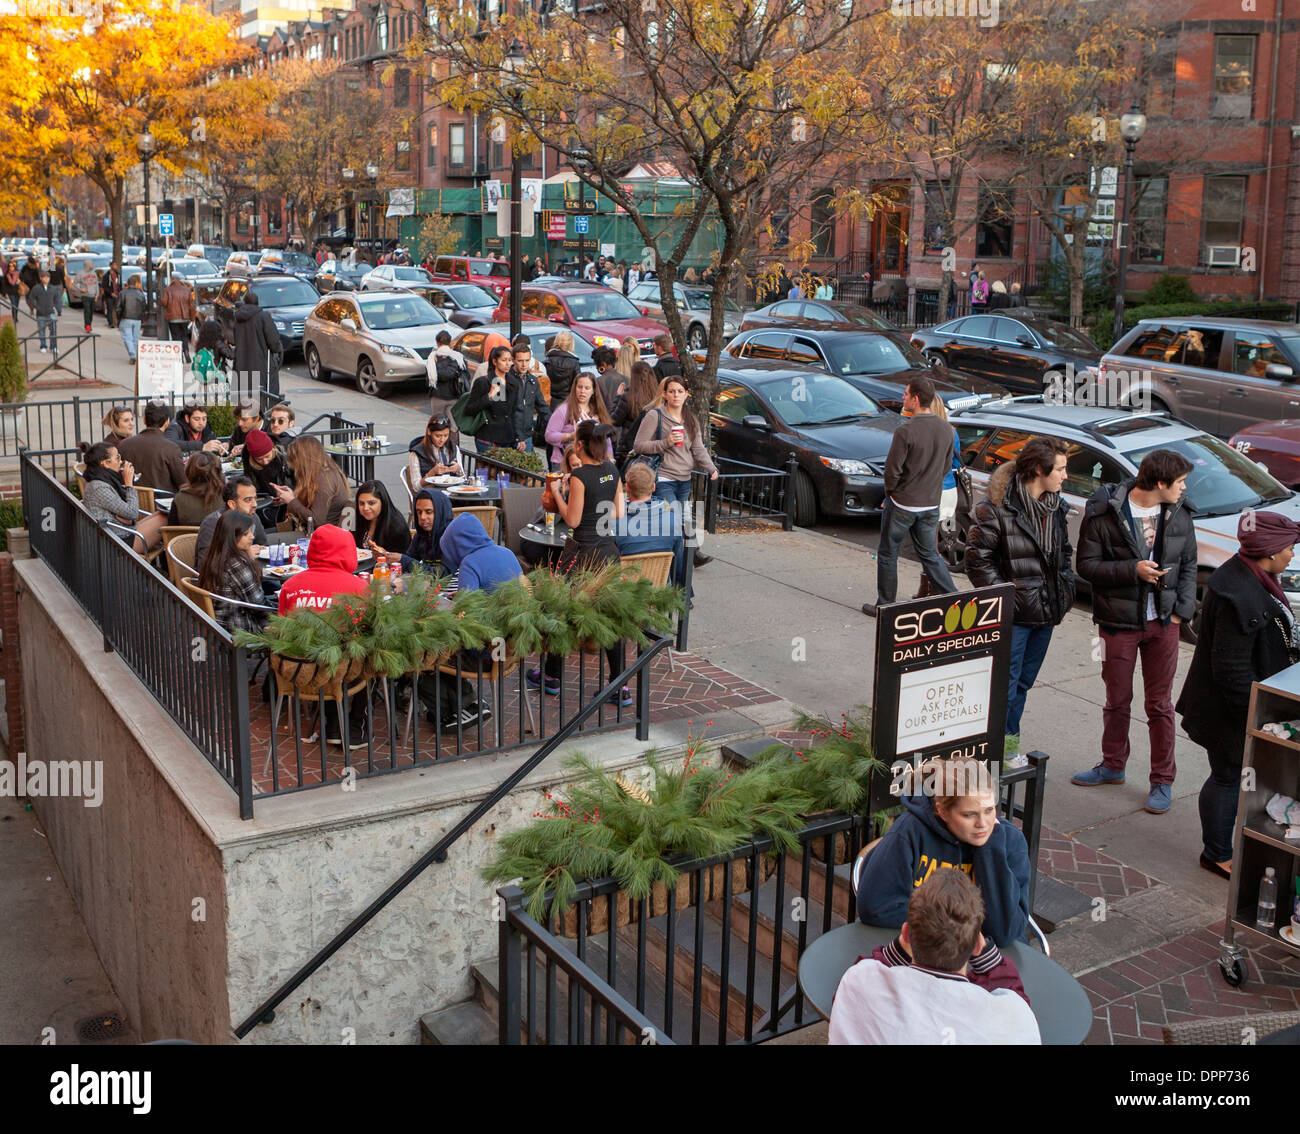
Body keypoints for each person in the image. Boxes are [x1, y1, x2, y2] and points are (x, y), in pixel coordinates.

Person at [1072, 449, 1197, 814]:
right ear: (1159, 483)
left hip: (1163, 623)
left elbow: (1188, 565)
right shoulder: (1104, 512)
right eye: (1179, 482)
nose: (1184, 488)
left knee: (1159, 706)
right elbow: (1086, 566)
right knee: (1116, 699)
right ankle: (1113, 765)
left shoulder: (1179, 513)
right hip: (1116, 624)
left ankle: (1162, 781)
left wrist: (1180, 614)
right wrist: (1133, 570)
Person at [1178, 513, 1300, 878]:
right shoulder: (1237, 592)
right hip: (1229, 710)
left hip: (1247, 704)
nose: (1292, 556)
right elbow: (1231, 671)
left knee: (1233, 776)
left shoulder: (1252, 575)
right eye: (1290, 549)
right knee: (1227, 777)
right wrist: (1256, 719)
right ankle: (1216, 853)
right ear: (1270, 551)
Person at [830, 870, 1039, 1046]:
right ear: (977, 944)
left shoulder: (859, 983)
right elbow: (1016, 998)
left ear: (905, 935)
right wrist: (989, 958)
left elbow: (868, 970)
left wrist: (898, 950)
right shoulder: (1011, 1019)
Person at [965, 436, 1076, 763]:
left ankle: (1007, 747)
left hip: (1045, 614)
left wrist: (1065, 591)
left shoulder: (1056, 506)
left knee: (1023, 685)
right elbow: (977, 561)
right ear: (1039, 470)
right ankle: (993, 753)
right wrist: (1007, 600)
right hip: (1013, 617)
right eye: (1061, 469)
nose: (1065, 476)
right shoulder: (995, 509)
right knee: (1003, 688)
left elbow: (1064, 554)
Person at [856, 757, 1031, 947]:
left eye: (989, 810)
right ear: (943, 811)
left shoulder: (1010, 842)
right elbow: (876, 907)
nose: (983, 824)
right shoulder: (910, 832)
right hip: (923, 951)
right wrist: (955, 928)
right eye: (969, 814)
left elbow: (1004, 933)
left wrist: (989, 850)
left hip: (989, 959)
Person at [530, 420, 631, 704]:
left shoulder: (580, 476)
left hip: (582, 552)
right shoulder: (612, 469)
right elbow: (619, 513)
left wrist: (561, 494)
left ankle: (552, 677)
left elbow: (572, 520)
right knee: (610, 616)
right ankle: (619, 684)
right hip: (608, 551)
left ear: (579, 445)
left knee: (562, 610)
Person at [862, 377, 957, 615]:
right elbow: (946, 467)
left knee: (888, 553)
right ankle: (954, 600)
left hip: (903, 503)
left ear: (915, 399)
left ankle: (885, 605)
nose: (903, 398)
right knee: (930, 555)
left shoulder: (905, 431)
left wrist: (891, 495)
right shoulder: (947, 429)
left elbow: (892, 471)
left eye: (906, 394)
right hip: (929, 505)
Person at [277, 523, 370, 749]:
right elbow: (368, 633)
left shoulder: (290, 586)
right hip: (344, 670)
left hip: (299, 670)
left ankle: (333, 725)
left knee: (327, 649)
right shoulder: (359, 588)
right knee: (368, 654)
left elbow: (281, 630)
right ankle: (356, 729)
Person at [434, 512, 525, 728]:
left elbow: (466, 616)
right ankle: (466, 704)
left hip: (486, 653)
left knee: (430, 656)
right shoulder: (507, 553)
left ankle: (461, 709)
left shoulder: (470, 563)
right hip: (511, 649)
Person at [633, 375, 718, 568]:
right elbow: (639, 445)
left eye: (680, 391)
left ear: (687, 394)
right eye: (672, 391)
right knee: (673, 518)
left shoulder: (691, 419)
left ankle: (690, 556)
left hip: (684, 478)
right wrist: (666, 442)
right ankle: (673, 560)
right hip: (663, 476)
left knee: (686, 520)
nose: (676, 395)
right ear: (664, 394)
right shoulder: (655, 416)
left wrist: (711, 468)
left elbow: (698, 448)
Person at [76, 440, 166, 554]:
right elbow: (132, 512)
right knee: (165, 519)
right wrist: (129, 484)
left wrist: (128, 520)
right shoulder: (99, 487)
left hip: (122, 531)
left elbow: (128, 514)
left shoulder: (104, 480)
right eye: (117, 458)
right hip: (117, 542)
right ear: (105, 463)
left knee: (162, 514)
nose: (121, 461)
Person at [614, 461, 686, 587]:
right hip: (660, 592)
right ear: (653, 487)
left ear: (627, 488)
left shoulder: (616, 523)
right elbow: (678, 564)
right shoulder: (672, 520)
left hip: (625, 594)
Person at [196, 510, 269, 635]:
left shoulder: (214, 555)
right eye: (246, 533)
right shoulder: (236, 564)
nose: (252, 536)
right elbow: (258, 606)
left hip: (218, 623)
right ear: (232, 537)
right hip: (239, 629)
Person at [271, 434, 351, 531]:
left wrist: (292, 501)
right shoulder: (323, 472)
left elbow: (316, 520)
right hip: (316, 532)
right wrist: (290, 497)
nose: (292, 465)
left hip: (324, 536)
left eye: (294, 460)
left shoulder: (324, 480)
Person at [194, 476, 268, 569]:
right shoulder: (213, 523)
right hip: (221, 581)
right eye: (248, 500)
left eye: (255, 499)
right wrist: (245, 554)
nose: (255, 504)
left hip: (252, 575)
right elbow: (205, 566)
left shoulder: (252, 517)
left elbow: (264, 547)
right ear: (232, 504)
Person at [544, 371, 611, 469]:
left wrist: (610, 458)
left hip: (592, 462)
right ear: (574, 388)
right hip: (565, 463)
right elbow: (549, 435)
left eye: (587, 388)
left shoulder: (598, 412)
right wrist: (570, 436)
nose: (582, 391)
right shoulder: (564, 410)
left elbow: (606, 438)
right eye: (579, 387)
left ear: (593, 391)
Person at [464, 344, 523, 453]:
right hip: (487, 436)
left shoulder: (514, 383)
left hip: (507, 436)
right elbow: (469, 409)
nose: (508, 364)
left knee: (504, 470)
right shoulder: (483, 382)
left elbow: (516, 411)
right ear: (495, 361)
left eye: (510, 360)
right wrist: (489, 396)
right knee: (486, 469)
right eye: (504, 360)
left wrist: (520, 436)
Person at [118, 401, 186, 493]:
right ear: (167, 422)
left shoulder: (123, 445)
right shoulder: (171, 448)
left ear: (144, 420)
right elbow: (182, 483)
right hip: (162, 503)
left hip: (132, 501)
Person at [232, 291, 284, 398]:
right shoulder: (263, 316)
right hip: (260, 363)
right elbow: (273, 341)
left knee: (244, 395)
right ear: (257, 303)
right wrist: (276, 349)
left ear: (244, 302)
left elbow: (235, 339)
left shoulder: (238, 319)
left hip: (242, 363)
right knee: (261, 395)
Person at [610, 361, 661, 465]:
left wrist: (618, 397)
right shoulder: (658, 398)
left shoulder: (628, 397)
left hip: (629, 448)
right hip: (651, 447)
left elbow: (614, 421)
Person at [400, 488, 454, 573]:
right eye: (419, 512)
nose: (422, 517)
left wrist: (403, 560)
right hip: (429, 584)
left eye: (428, 512)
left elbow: (442, 575)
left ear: (440, 512)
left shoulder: (453, 537)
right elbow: (410, 560)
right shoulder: (421, 535)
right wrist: (389, 562)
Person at [353, 479, 410, 559]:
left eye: (371, 503)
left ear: (383, 502)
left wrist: (385, 554)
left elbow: (402, 560)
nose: (365, 508)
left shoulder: (396, 527)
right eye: (361, 503)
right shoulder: (359, 519)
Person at [510, 338, 549, 454]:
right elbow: (504, 413)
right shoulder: (505, 380)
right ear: (513, 360)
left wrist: (556, 425)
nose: (524, 364)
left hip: (527, 436)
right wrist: (517, 438)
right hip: (509, 437)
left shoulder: (532, 381)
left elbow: (543, 407)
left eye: (527, 360)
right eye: (520, 361)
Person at [168, 451, 225, 526]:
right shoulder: (228, 496)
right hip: (221, 537)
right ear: (218, 471)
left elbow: (171, 529)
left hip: (187, 537)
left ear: (189, 471)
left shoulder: (180, 499)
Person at [408, 414, 464, 488]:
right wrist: (432, 473)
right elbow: (416, 487)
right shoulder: (417, 453)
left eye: (446, 435)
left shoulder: (453, 448)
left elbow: (463, 478)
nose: (442, 440)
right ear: (429, 432)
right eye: (438, 436)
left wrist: (458, 469)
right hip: (430, 494)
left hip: (452, 491)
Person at [427, 329, 469, 423]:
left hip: (437, 397)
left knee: (437, 424)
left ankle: (439, 437)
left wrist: (437, 364)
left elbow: (430, 379)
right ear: (450, 343)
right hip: (455, 396)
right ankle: (453, 438)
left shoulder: (432, 359)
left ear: (437, 343)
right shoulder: (459, 358)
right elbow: (466, 375)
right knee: (454, 426)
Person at [241, 427, 290, 500]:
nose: (265, 461)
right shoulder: (249, 466)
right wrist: (263, 498)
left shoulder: (285, 458)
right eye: (259, 459)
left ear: (273, 448)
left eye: (267, 456)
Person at [160, 274, 197, 363]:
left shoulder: (168, 290)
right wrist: (192, 318)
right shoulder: (187, 290)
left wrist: (161, 301)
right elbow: (192, 306)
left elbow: (164, 302)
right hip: (185, 318)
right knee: (184, 336)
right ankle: (187, 354)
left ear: (172, 281)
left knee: (175, 337)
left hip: (173, 318)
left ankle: (179, 355)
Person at [544, 329, 581, 411]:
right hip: (568, 403)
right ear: (571, 344)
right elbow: (577, 385)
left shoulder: (547, 362)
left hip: (549, 403)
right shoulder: (574, 363)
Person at [27, 270, 59, 354]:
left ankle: (53, 346)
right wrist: (36, 307)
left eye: (48, 277)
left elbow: (57, 298)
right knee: (41, 331)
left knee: (53, 330)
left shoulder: (53, 288)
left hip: (51, 312)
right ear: (41, 278)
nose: (46, 279)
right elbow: (31, 298)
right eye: (44, 277)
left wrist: (54, 306)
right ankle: (43, 346)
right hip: (40, 313)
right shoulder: (36, 288)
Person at [117, 275, 146, 364]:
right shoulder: (140, 294)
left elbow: (118, 307)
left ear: (127, 283)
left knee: (127, 337)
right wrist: (142, 317)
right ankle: (134, 355)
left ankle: (133, 355)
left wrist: (119, 318)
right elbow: (144, 307)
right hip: (137, 319)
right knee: (135, 338)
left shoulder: (123, 293)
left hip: (126, 318)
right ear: (136, 284)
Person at [75, 260, 99, 333]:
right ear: (87, 264)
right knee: (87, 311)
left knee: (91, 312)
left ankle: (89, 324)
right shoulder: (80, 274)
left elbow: (96, 284)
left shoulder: (94, 273)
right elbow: (75, 283)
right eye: (91, 264)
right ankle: (87, 326)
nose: (93, 265)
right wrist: (81, 289)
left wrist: (97, 294)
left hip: (93, 295)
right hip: (85, 295)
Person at [101, 262, 121, 329]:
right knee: (110, 309)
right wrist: (110, 293)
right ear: (111, 266)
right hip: (109, 296)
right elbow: (104, 286)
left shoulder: (118, 275)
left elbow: (119, 284)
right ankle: (111, 323)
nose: (116, 266)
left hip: (117, 294)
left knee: (118, 309)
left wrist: (119, 291)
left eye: (116, 265)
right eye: (114, 265)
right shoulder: (107, 275)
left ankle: (118, 322)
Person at [2, 258, 20, 322]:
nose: (11, 267)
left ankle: (16, 317)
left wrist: (19, 281)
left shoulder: (18, 273)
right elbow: (11, 283)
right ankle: (14, 318)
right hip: (11, 292)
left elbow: (22, 281)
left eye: (12, 266)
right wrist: (4, 293)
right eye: (10, 266)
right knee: (13, 304)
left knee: (17, 305)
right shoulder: (7, 275)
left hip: (17, 291)